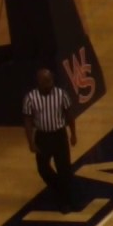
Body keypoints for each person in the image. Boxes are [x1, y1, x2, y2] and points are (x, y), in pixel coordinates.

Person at [22, 68, 77, 212]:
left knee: (64, 168)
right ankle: (59, 187)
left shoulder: (61, 94)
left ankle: (66, 202)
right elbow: (28, 121)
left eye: (50, 81)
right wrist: (31, 142)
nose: (49, 84)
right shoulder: (30, 98)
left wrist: (73, 134)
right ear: (39, 82)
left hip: (59, 135)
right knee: (42, 169)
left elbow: (69, 115)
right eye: (46, 82)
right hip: (42, 136)